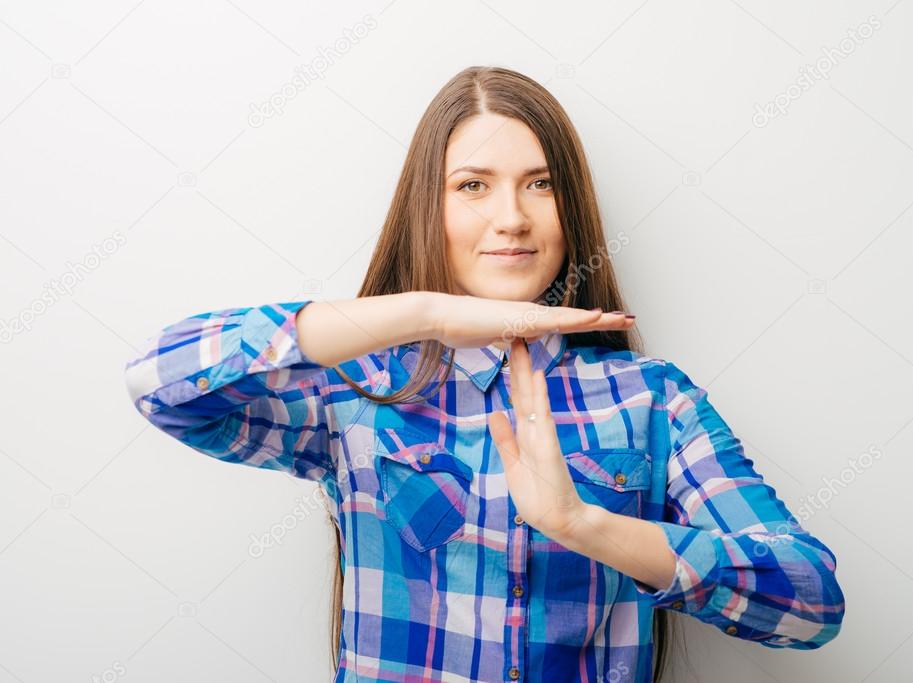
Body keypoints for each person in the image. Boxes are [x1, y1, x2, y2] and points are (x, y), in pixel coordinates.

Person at [123, 65, 844, 682]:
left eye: (539, 184)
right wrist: (423, 313)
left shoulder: (651, 398)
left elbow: (809, 603)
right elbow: (161, 380)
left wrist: (584, 524)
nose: (511, 218)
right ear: (426, 209)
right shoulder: (358, 387)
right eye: (472, 185)